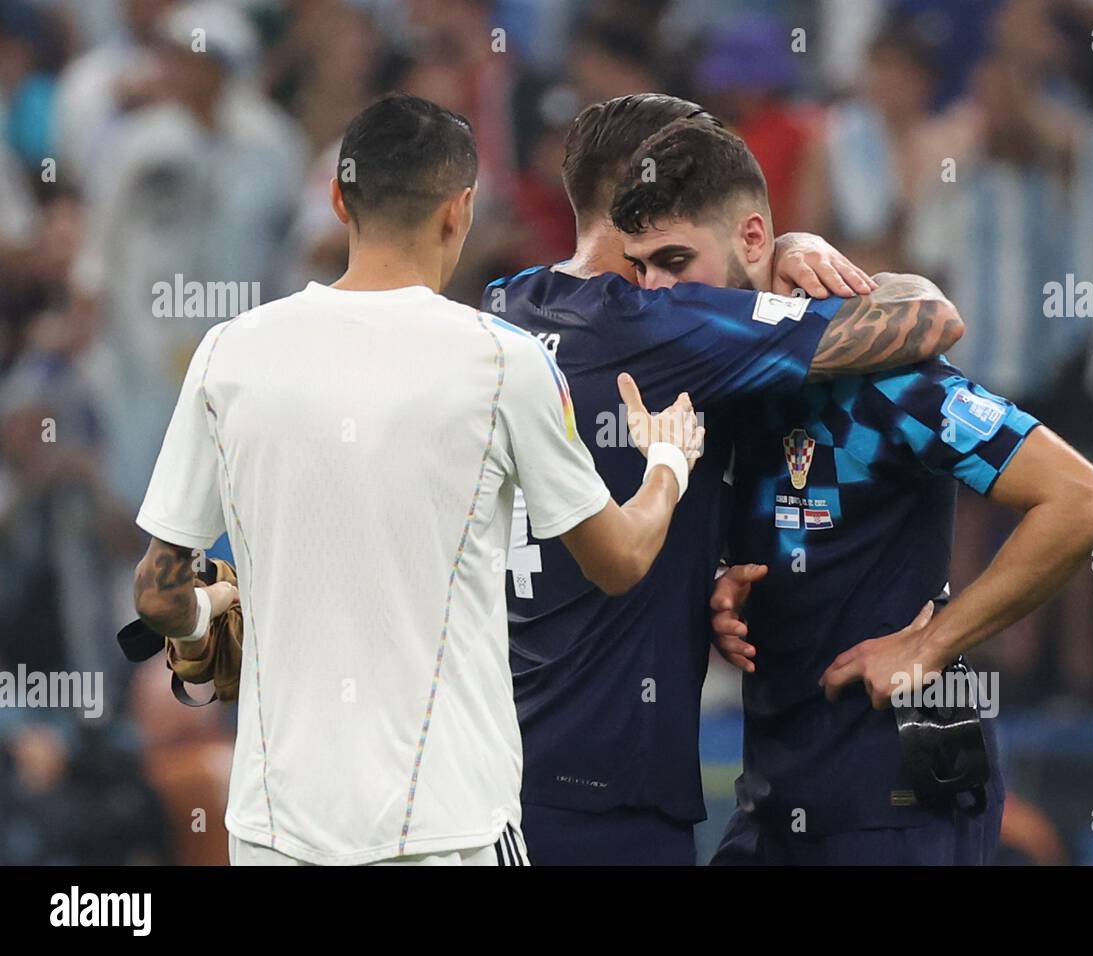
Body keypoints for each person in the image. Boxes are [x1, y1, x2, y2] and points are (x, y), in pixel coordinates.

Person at [129, 93, 703, 867]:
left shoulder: (228, 353)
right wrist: (667, 464)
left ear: (337, 198)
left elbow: (156, 594)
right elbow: (620, 561)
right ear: (459, 209)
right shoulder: (503, 362)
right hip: (448, 827)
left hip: (273, 831)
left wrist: (205, 619)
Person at [610, 118, 1093, 865]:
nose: (656, 292)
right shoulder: (712, 386)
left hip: (904, 792)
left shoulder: (881, 374)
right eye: (640, 269)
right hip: (781, 792)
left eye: (674, 261)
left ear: (752, 239)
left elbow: (1085, 502)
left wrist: (933, 642)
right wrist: (723, 595)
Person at [483, 92, 963, 864]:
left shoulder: (508, 304)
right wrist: (784, 255)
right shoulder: (662, 324)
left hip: (495, 767)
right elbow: (929, 323)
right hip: (609, 783)